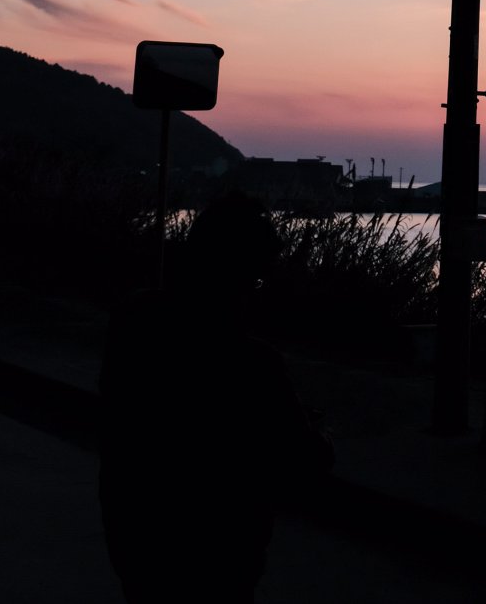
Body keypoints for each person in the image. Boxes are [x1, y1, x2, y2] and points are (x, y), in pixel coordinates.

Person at [99, 193, 331, 604]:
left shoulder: (133, 320)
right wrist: (315, 434)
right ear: (237, 278)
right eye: (256, 280)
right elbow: (303, 464)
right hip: (220, 556)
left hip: (134, 535)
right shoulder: (252, 363)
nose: (258, 293)